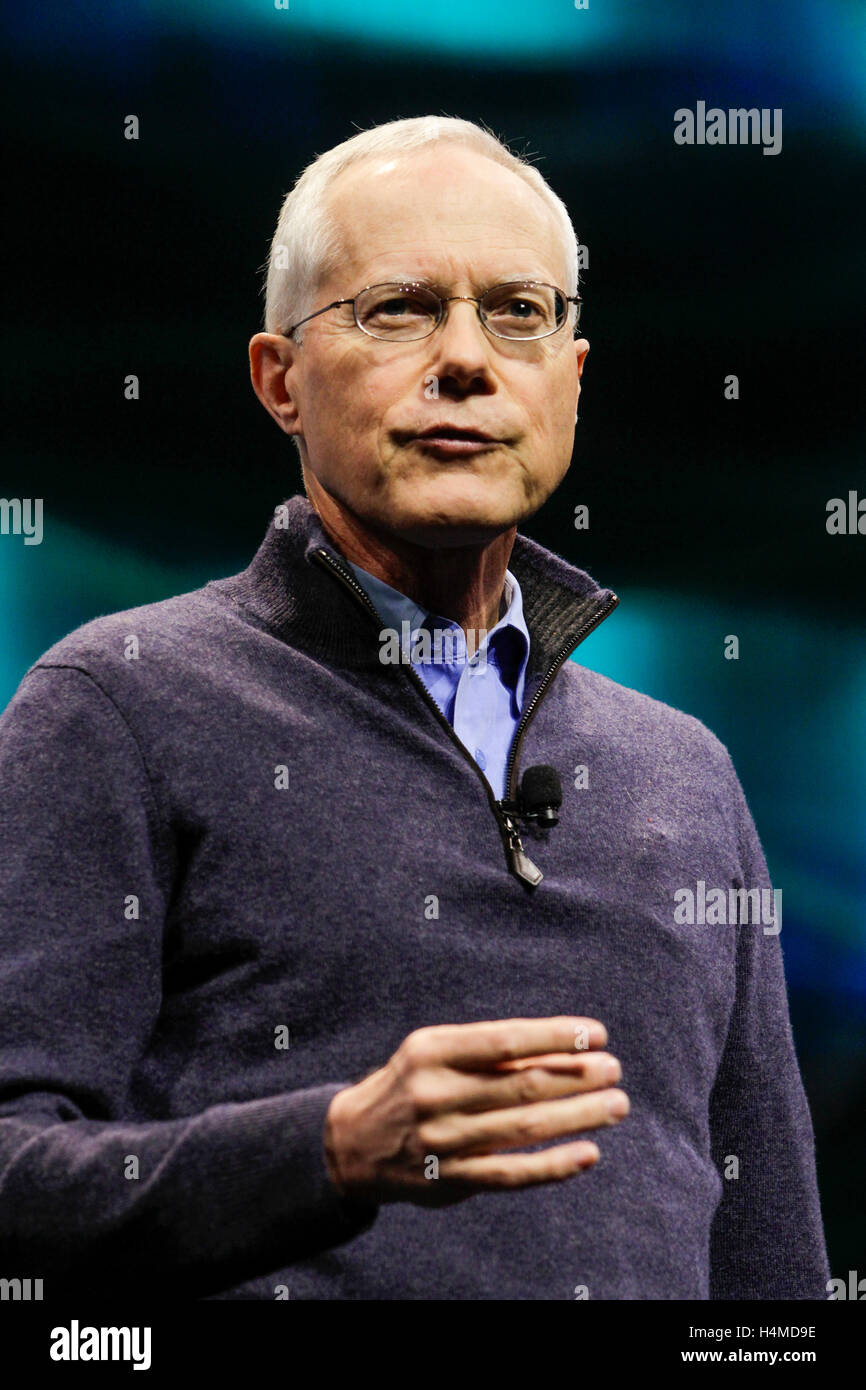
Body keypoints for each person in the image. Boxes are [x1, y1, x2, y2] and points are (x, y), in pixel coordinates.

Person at [0, 116, 829, 1300]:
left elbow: (771, 1268)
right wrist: (328, 1151)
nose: (466, 359)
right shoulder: (117, 704)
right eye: (397, 308)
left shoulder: (682, 771)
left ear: (571, 380)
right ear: (278, 380)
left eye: (517, 312)